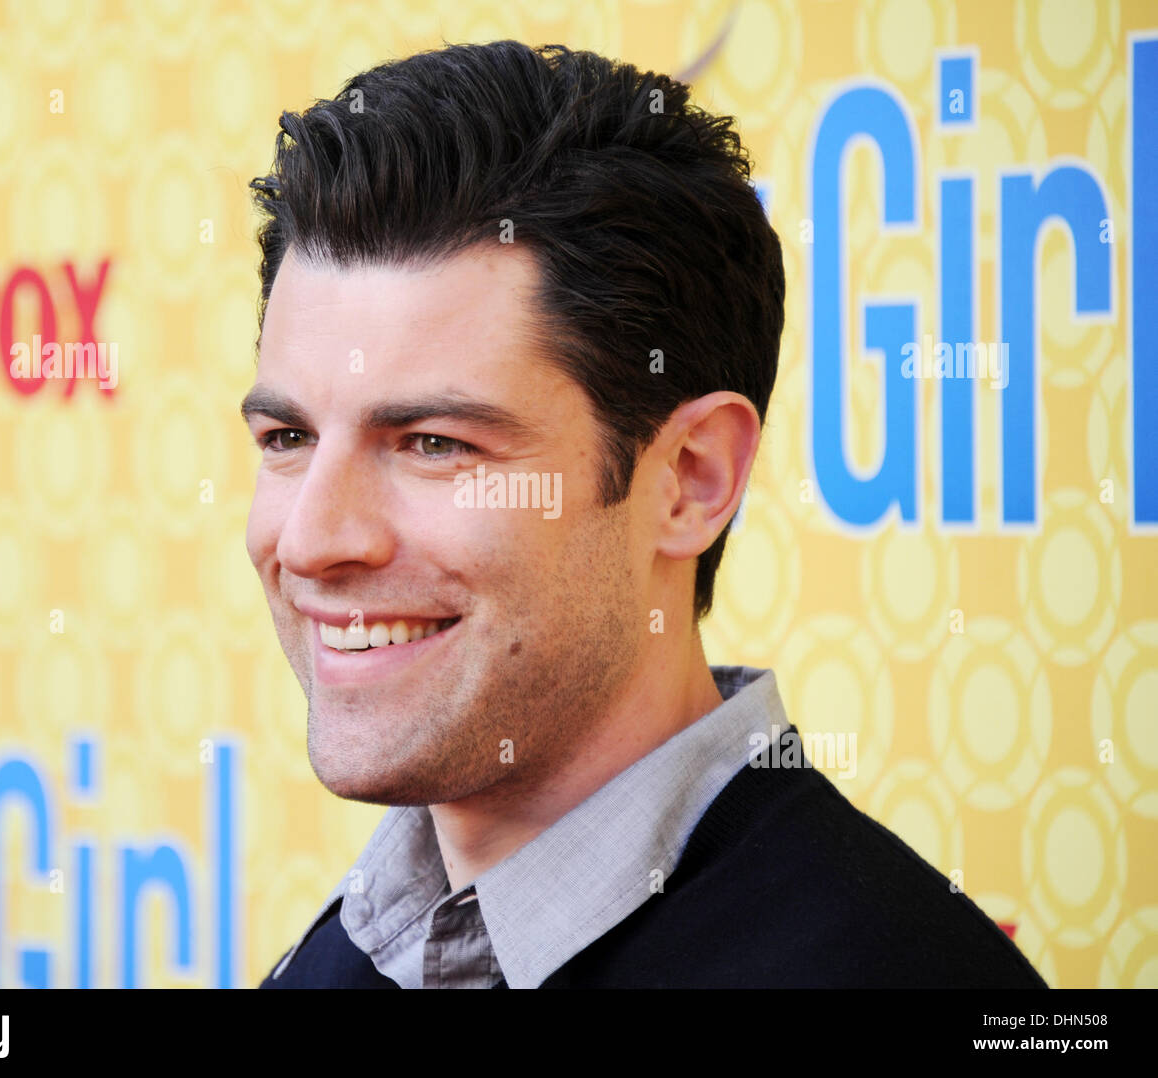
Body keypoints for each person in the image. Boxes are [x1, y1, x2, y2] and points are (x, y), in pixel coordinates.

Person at [241, 40, 1046, 988]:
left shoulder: (896, 972)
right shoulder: (335, 962)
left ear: (691, 478)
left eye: (434, 444)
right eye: (288, 439)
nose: (313, 540)